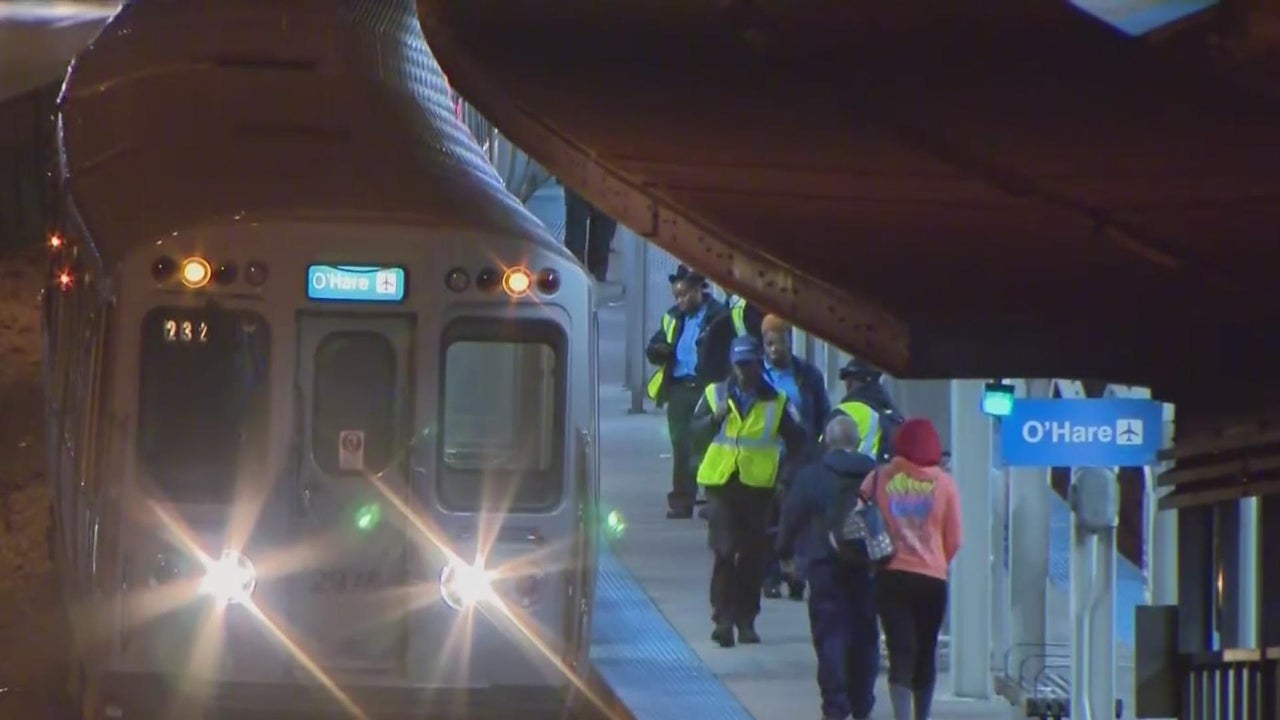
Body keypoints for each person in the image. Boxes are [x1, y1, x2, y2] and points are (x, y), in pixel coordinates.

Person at [692, 335, 807, 647]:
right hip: (720, 483)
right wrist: (713, 420)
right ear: (732, 364)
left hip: (758, 487)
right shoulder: (715, 393)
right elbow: (692, 431)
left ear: (759, 364)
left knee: (753, 556)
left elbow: (799, 443)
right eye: (739, 365)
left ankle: (746, 620)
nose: (744, 372)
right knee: (725, 551)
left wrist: (785, 479)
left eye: (750, 365)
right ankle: (723, 620)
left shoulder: (777, 401)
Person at [776, 415, 880, 720]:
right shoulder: (875, 475)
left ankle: (835, 706)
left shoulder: (812, 476)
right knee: (865, 634)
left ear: (827, 441)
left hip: (824, 565)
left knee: (830, 636)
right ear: (858, 442)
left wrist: (784, 554)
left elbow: (791, 518)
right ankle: (863, 704)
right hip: (867, 566)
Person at [861, 418, 963, 720]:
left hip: (890, 575)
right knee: (925, 650)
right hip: (932, 580)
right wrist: (936, 560)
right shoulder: (945, 484)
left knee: (900, 650)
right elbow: (955, 538)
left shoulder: (879, 477)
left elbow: (859, 517)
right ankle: (923, 715)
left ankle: (901, 716)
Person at [645, 265, 732, 518]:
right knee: (680, 444)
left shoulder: (719, 315)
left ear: (698, 290)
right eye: (676, 296)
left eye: (684, 295)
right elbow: (653, 347)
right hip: (680, 388)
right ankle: (682, 499)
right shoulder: (673, 317)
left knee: (707, 443)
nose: (680, 301)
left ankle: (711, 497)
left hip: (707, 387)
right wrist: (662, 350)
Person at [759, 313, 830, 601]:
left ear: (791, 341)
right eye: (770, 343)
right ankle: (771, 575)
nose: (776, 349)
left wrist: (820, 448)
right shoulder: (756, 376)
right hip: (765, 457)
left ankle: (797, 573)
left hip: (800, 458)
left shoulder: (808, 375)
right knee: (768, 519)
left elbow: (822, 414)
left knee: (798, 518)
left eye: (781, 342)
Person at [829, 359, 903, 463]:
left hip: (853, 477)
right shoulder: (894, 414)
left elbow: (823, 452)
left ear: (849, 382)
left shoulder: (845, 412)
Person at [563, 185, 617, 282]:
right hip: (607, 184)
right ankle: (596, 277)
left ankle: (574, 276)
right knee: (601, 236)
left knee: (576, 236)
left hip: (578, 181)